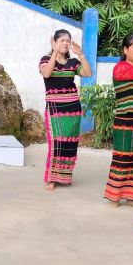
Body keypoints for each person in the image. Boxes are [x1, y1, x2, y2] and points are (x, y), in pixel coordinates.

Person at [39, 29, 93, 191]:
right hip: (55, 109)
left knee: (68, 145)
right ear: (54, 42)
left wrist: (81, 55)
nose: (65, 43)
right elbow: (47, 74)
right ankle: (51, 178)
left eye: (68, 41)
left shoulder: (73, 63)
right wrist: (55, 52)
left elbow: (88, 73)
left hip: (72, 109)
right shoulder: (45, 60)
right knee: (55, 144)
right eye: (62, 40)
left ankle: (63, 176)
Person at [104, 34, 133, 207]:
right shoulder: (120, 68)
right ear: (125, 50)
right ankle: (114, 196)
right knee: (122, 159)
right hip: (124, 121)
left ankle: (132, 197)